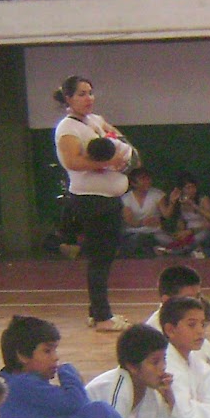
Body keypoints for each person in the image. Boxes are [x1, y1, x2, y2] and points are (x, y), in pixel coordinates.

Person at [53, 74, 133, 331]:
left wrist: (122, 154)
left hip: (109, 199)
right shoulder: (68, 128)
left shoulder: (95, 120)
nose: (88, 98)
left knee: (106, 257)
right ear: (68, 98)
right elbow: (72, 161)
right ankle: (102, 317)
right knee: (99, 258)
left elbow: (120, 138)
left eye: (90, 92)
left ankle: (96, 311)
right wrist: (106, 162)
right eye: (81, 94)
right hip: (92, 202)